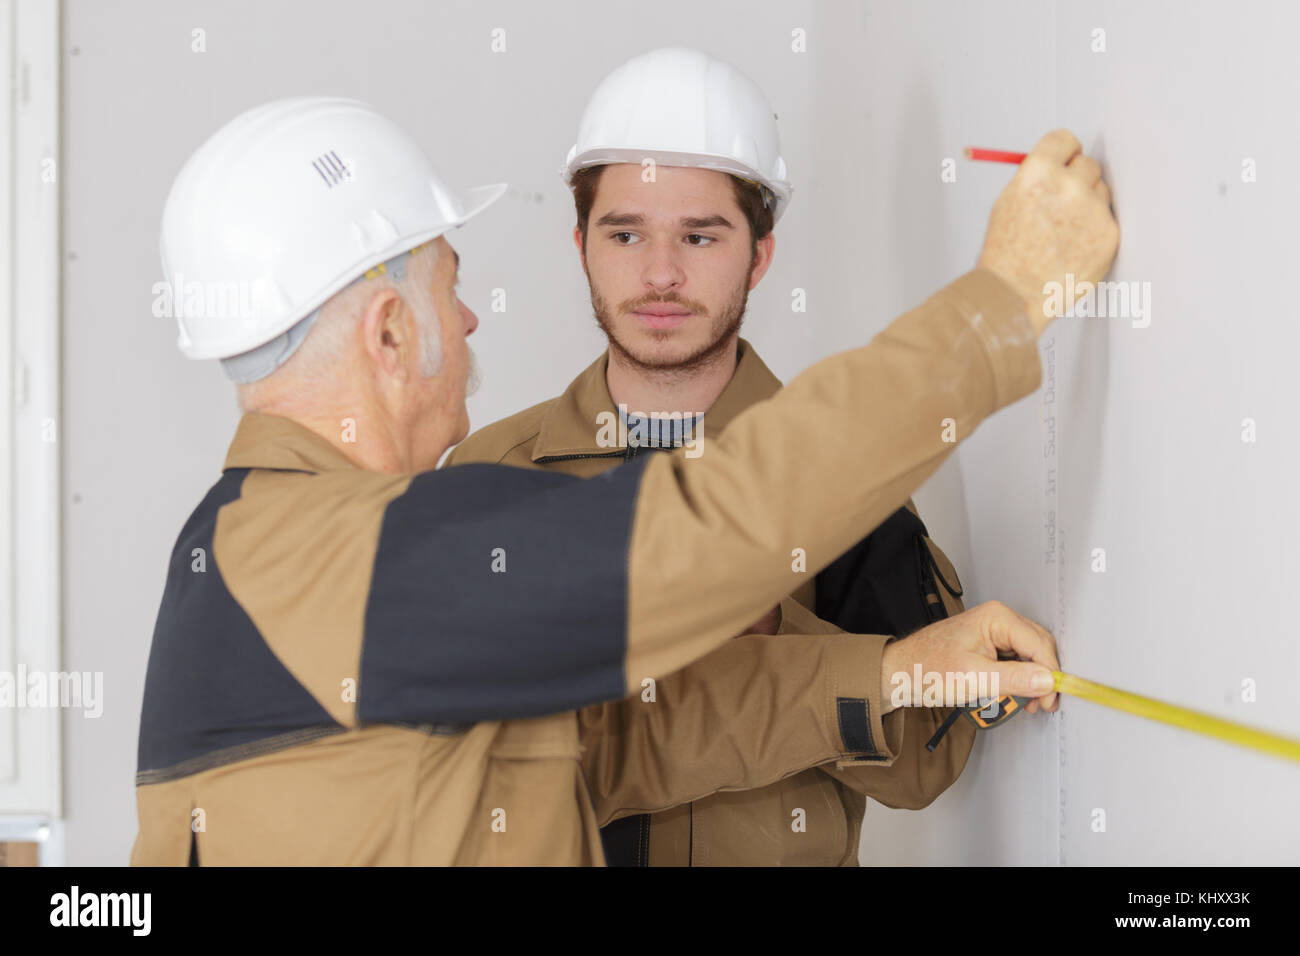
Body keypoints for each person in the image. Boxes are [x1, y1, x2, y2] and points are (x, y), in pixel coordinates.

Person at [132, 91, 1113, 865]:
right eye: (450, 285)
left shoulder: (267, 553)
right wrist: (1003, 303)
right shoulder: (336, 552)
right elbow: (712, 523)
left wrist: (894, 669)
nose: (469, 320)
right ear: (390, 333)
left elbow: (608, 735)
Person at [447, 46, 988, 865]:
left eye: (700, 236)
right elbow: (445, 767)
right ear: (581, 245)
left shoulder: (840, 473)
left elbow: (927, 763)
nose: (660, 274)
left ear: (759, 257)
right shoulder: (488, 477)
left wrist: (771, 623)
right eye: (625, 233)